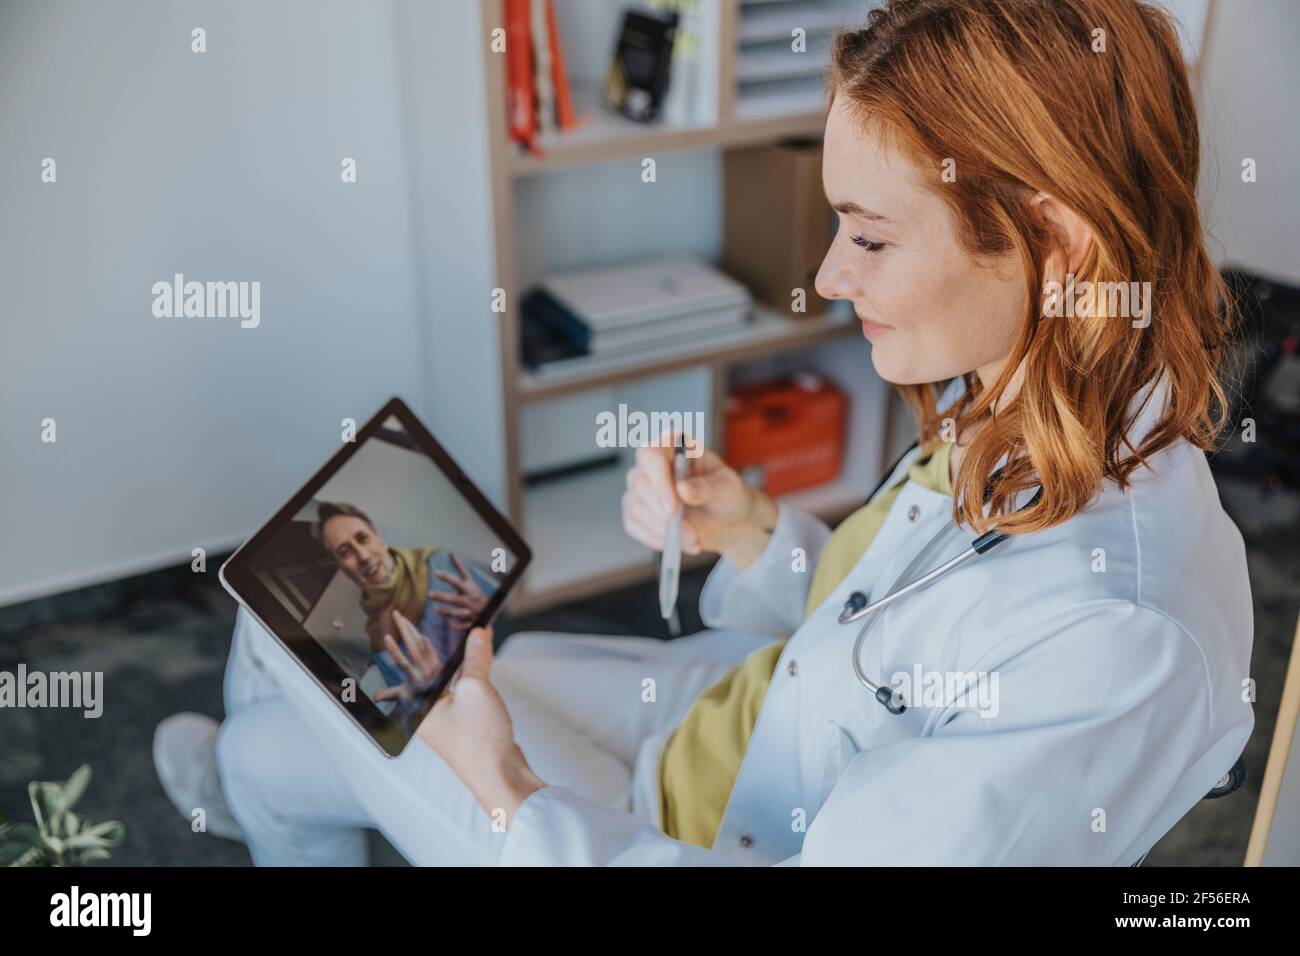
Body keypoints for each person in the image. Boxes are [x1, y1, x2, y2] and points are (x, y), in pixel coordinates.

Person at [154, 0, 1253, 865]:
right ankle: (258, 787)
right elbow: (899, 639)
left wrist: (506, 795)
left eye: (868, 238)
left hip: (679, 834)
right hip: (723, 725)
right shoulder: (1042, 390)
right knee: (328, 658)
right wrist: (753, 531)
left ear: (1052, 245)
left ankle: (258, 793)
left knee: (288, 632)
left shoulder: (1115, 635)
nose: (824, 275)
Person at [309, 501, 495, 703]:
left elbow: (508, 610)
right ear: (341, 568)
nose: (362, 556)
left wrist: (488, 608)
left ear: (379, 538)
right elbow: (411, 709)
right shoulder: (379, 642)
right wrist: (426, 694)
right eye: (345, 552)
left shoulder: (442, 564)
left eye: (363, 538)